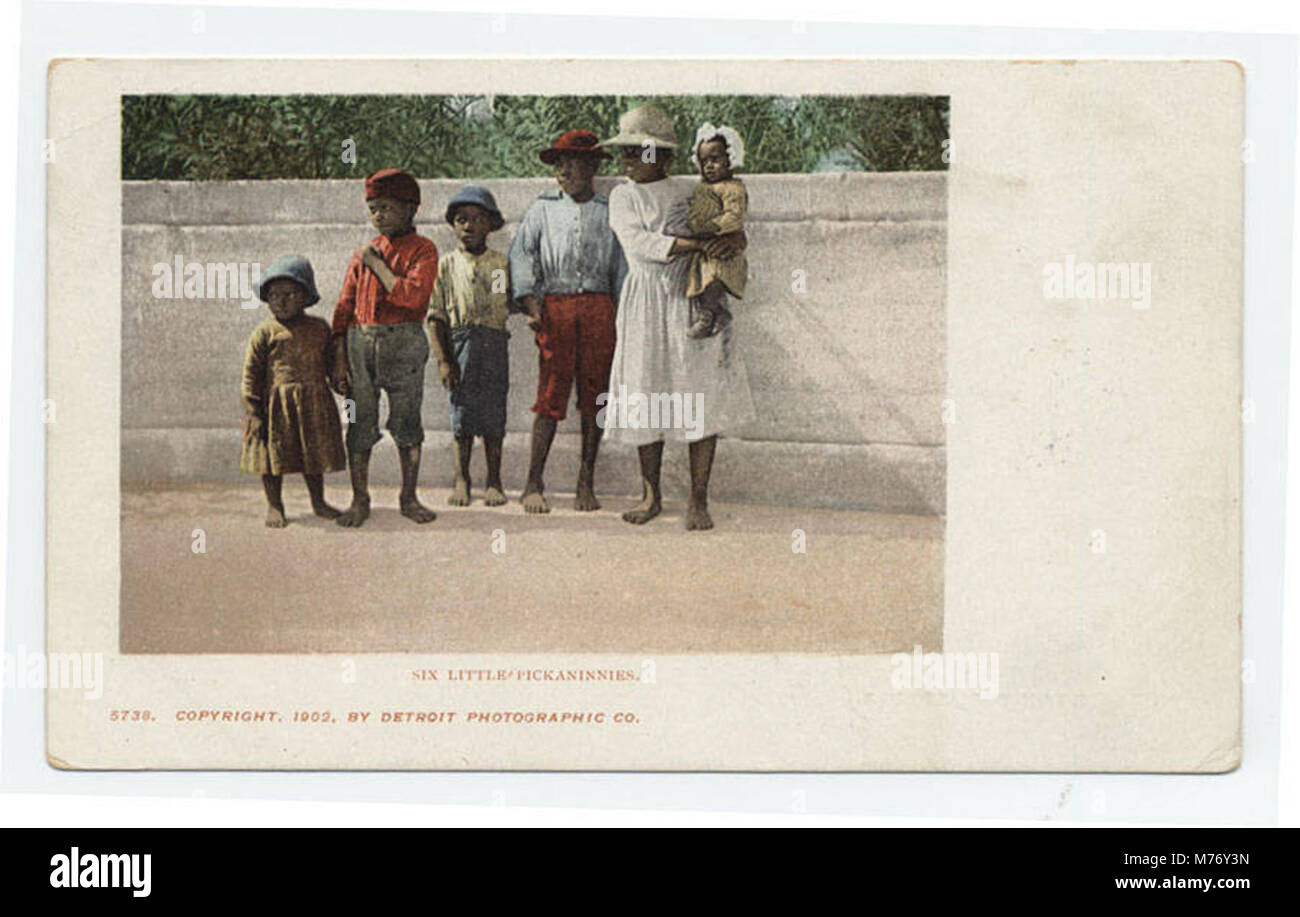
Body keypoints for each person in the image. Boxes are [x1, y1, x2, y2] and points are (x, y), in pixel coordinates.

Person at [599, 105, 756, 530]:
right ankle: (650, 494)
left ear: (662, 157)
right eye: (625, 152)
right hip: (645, 300)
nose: (629, 160)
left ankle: (698, 498)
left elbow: (727, 218)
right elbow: (641, 244)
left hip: (689, 294)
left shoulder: (690, 191)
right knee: (646, 389)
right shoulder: (622, 196)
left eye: (640, 152)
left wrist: (732, 237)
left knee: (697, 392)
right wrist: (700, 242)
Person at [509, 129, 627, 513]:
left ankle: (585, 482)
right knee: (550, 394)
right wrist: (530, 303)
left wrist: (623, 313)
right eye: (558, 164)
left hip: (598, 308)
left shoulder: (609, 211)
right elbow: (522, 254)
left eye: (572, 162)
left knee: (595, 395)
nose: (563, 170)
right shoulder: (542, 209)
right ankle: (533, 482)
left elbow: (623, 268)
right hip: (556, 308)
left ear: (591, 166)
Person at [330, 167, 439, 527]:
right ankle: (360, 500)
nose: (378, 216)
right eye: (373, 208)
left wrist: (377, 265)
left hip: (404, 342)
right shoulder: (365, 253)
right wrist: (339, 357)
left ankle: (409, 498)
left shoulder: (423, 250)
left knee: (408, 423)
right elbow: (345, 306)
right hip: (361, 342)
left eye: (387, 208)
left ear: (411, 209)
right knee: (358, 423)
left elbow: (411, 297)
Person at [239, 254, 347, 528]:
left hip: (313, 403)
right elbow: (250, 375)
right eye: (274, 295)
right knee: (271, 458)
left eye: (290, 294)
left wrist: (341, 383)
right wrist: (253, 412)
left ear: (305, 296)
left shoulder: (319, 328)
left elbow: (331, 366)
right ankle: (275, 506)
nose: (281, 301)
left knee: (313, 457)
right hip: (276, 406)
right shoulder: (264, 333)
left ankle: (318, 502)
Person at [427, 185, 512, 507]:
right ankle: (461, 478)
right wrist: (444, 360)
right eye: (462, 219)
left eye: (477, 219)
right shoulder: (446, 265)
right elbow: (435, 316)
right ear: (453, 225)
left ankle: (494, 480)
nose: (469, 226)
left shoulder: (500, 264)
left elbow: (503, 302)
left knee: (493, 415)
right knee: (461, 415)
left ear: (490, 225)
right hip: (460, 343)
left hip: (493, 344)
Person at [684, 123, 749, 338]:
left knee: (713, 282)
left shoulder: (733, 187)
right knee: (700, 283)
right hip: (704, 248)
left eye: (715, 160)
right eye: (704, 162)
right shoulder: (702, 188)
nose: (709, 166)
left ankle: (709, 315)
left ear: (730, 159)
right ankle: (717, 314)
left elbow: (734, 216)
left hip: (723, 250)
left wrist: (713, 226)